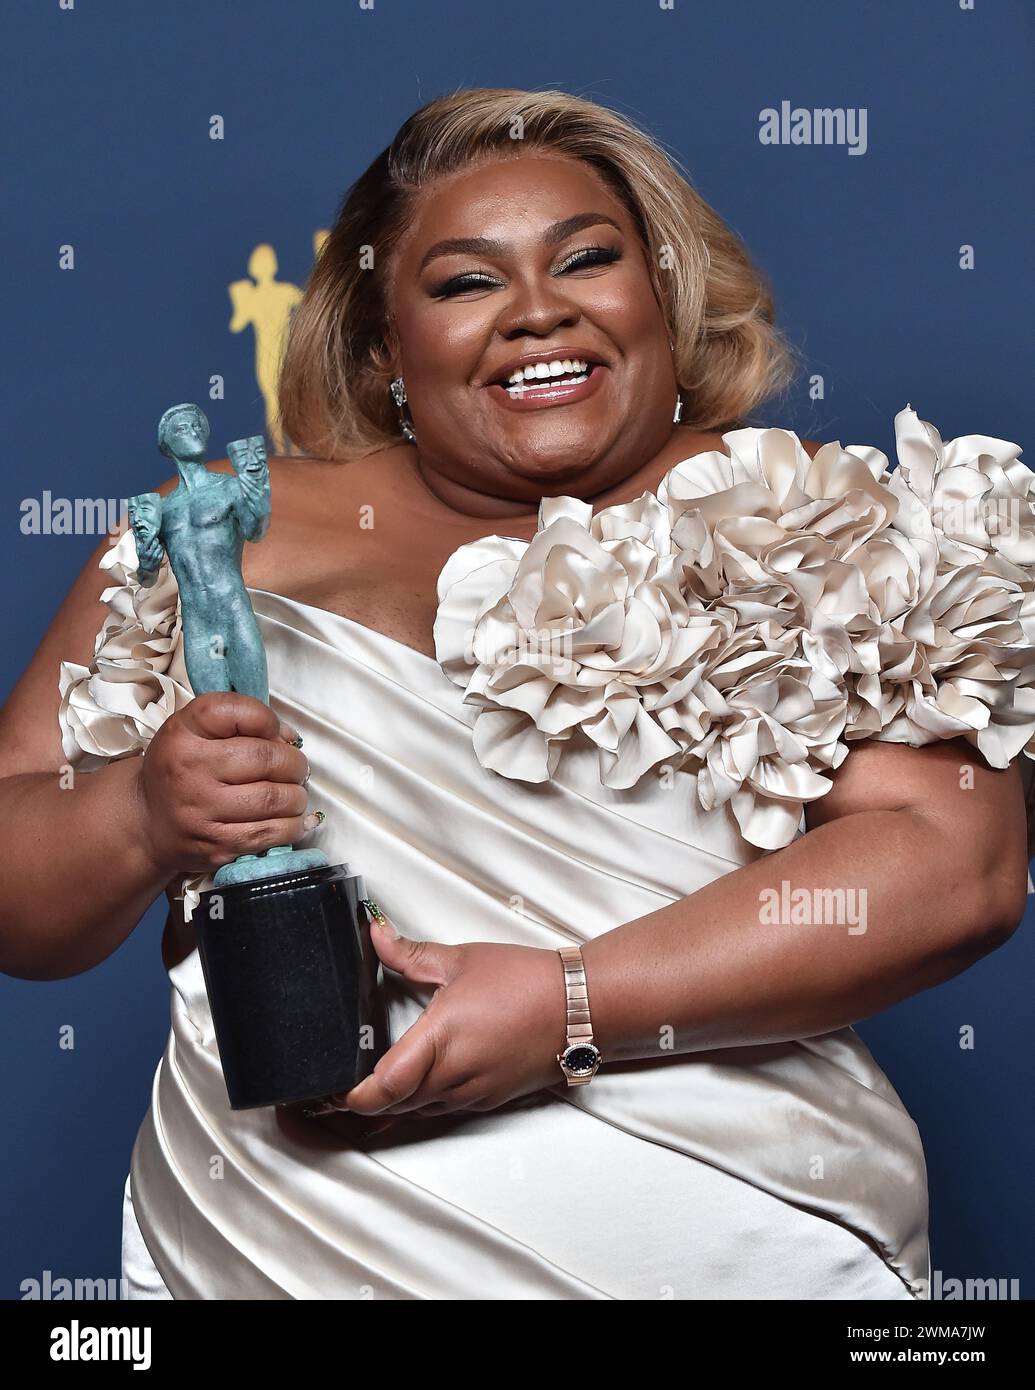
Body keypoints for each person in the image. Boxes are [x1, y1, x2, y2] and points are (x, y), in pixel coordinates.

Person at [2, 87, 1032, 1301]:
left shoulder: (801, 516)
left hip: (756, 1248)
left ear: (664, 297)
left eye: (588, 260)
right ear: (384, 348)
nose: (538, 309)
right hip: (278, 1254)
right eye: (466, 282)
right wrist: (137, 813)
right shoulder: (223, 530)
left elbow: (957, 867)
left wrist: (570, 1007)